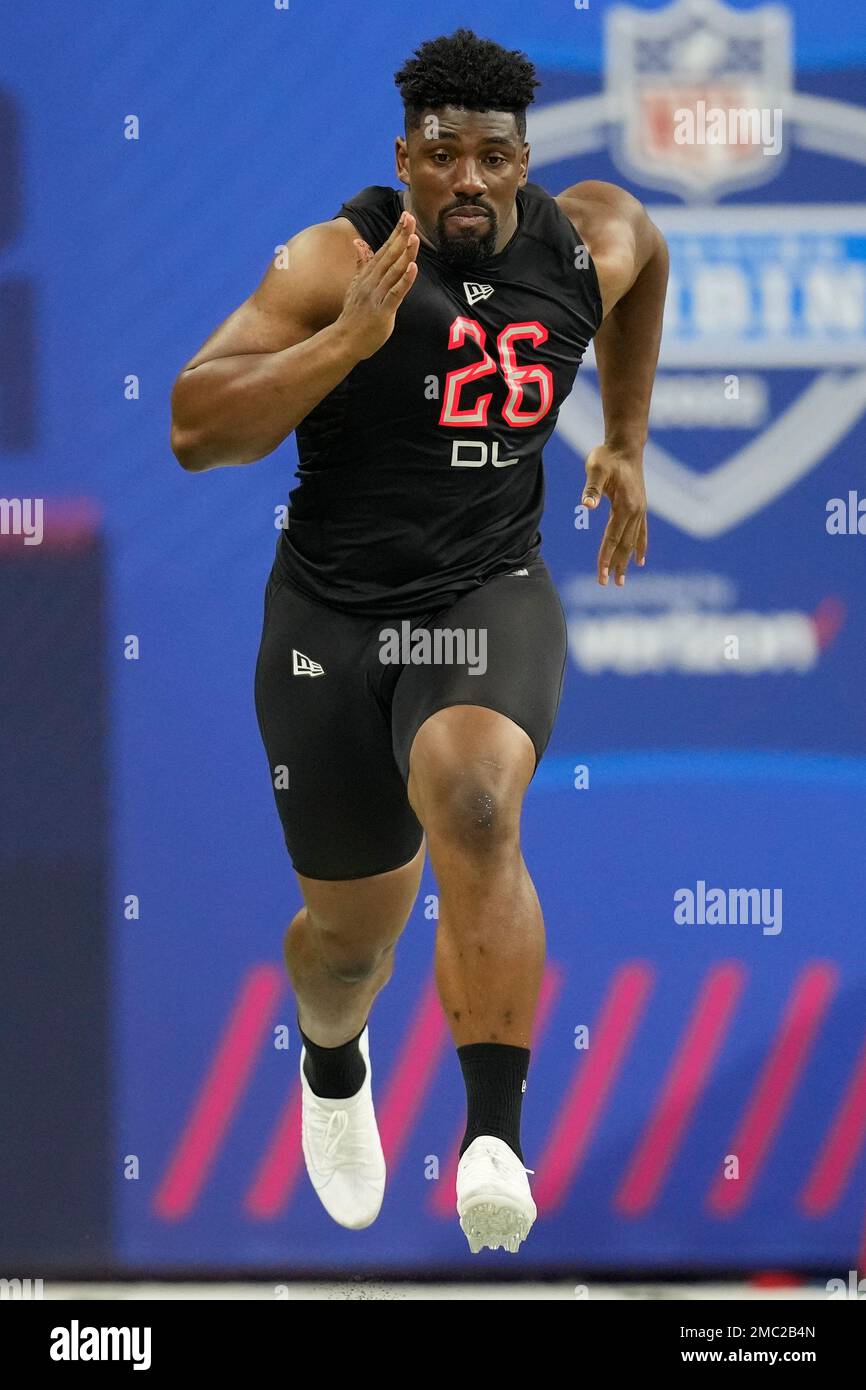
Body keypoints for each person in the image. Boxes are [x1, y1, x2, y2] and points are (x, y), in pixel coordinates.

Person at [170, 27, 668, 1254]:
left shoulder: (580, 239)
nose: (465, 180)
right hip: (330, 623)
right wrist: (342, 340)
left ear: (521, 162)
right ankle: (333, 1063)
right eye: (439, 155)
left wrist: (626, 434)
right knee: (348, 945)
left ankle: (491, 1133)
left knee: (477, 801)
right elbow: (192, 428)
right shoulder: (335, 258)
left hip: (480, 593)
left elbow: (646, 260)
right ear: (404, 159)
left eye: (490, 157)